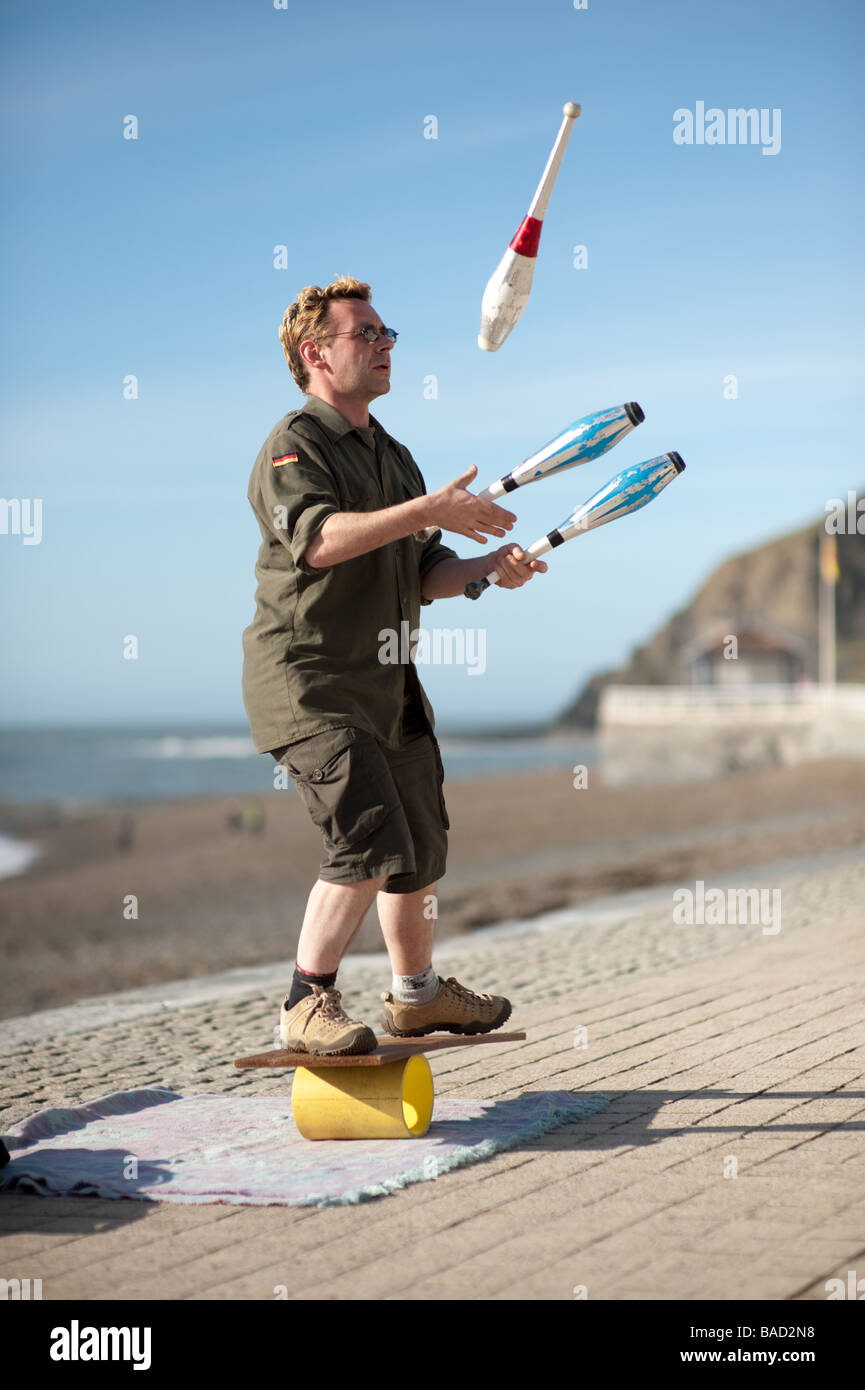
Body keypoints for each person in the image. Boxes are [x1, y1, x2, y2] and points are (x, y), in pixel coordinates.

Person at [241, 276, 547, 1056]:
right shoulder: (292, 446)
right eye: (365, 334)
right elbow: (319, 541)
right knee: (369, 837)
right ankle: (305, 1002)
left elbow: (423, 571)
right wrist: (428, 511)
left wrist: (486, 568)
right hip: (308, 681)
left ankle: (416, 996)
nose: (384, 346)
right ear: (316, 355)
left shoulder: (395, 456)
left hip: (388, 682)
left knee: (418, 846)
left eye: (386, 334)